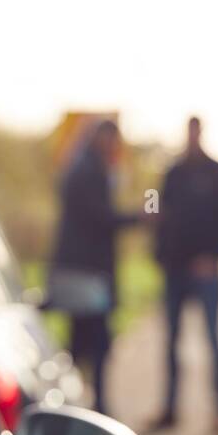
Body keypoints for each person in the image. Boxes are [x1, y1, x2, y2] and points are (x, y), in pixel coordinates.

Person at [151, 117, 218, 435]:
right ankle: (170, 409)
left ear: (201, 133)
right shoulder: (173, 173)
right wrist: (159, 255)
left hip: (206, 272)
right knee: (171, 340)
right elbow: (158, 212)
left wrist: (213, 257)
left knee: (213, 340)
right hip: (174, 270)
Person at [50, 119, 131, 414]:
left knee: (85, 341)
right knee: (93, 342)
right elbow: (101, 218)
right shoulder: (88, 170)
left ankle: (78, 404)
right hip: (85, 274)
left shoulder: (86, 165)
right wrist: (139, 218)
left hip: (84, 272)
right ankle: (90, 406)